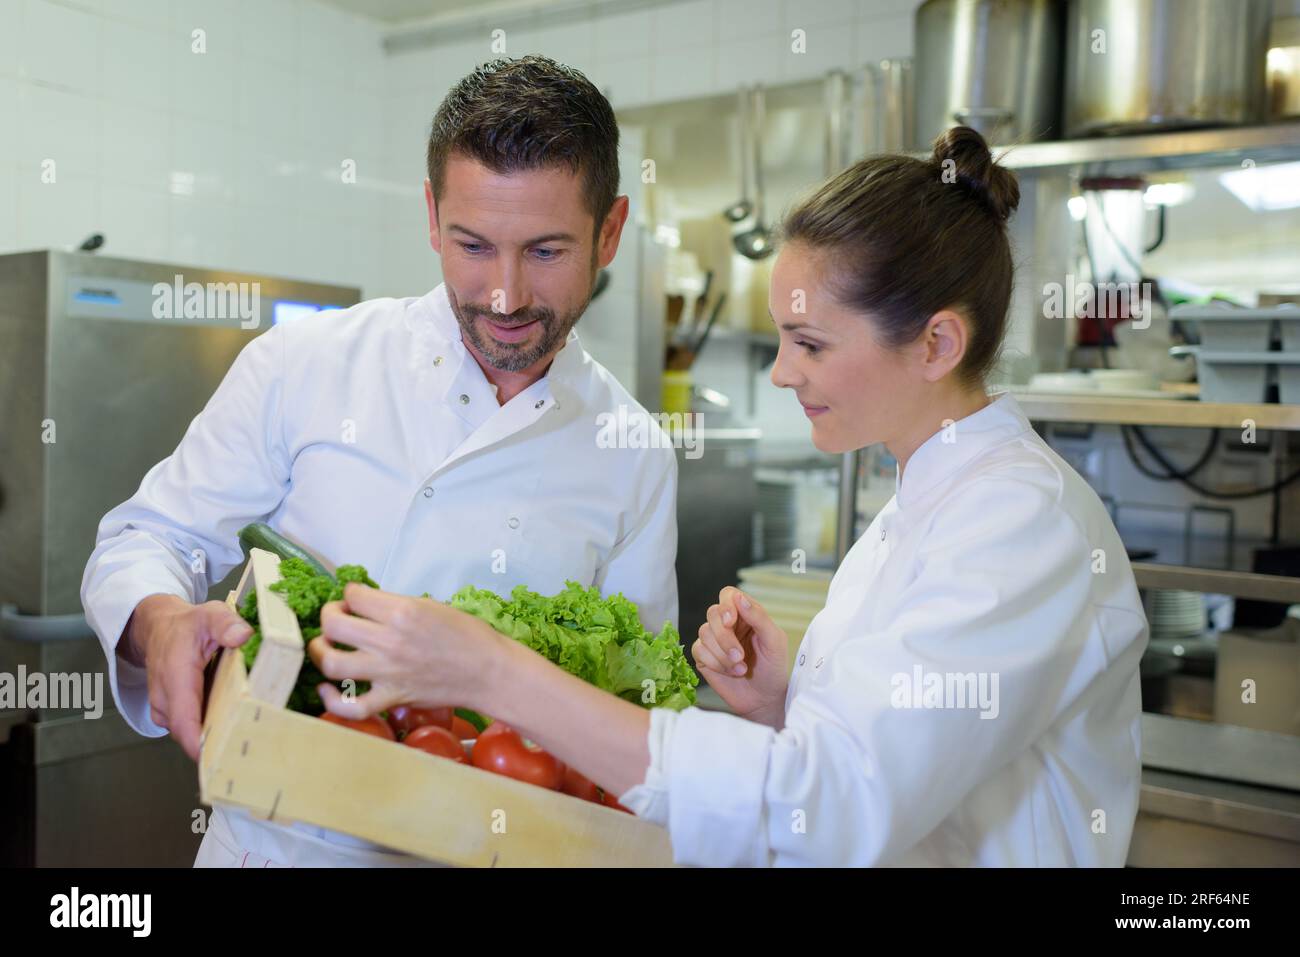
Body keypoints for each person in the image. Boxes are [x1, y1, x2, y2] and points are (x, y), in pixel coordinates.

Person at [312, 126, 1149, 867]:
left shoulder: (1021, 521)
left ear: (936, 342)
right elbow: (901, 752)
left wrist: (494, 673)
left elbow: (832, 807)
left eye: (810, 343)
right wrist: (784, 702)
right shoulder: (922, 501)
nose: (783, 372)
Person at [80, 56, 678, 867]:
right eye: (472, 244)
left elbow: (627, 712)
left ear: (609, 231)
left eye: (545, 251)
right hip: (275, 846)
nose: (503, 295)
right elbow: (146, 538)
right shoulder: (308, 361)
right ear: (432, 216)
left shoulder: (633, 450)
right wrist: (161, 621)